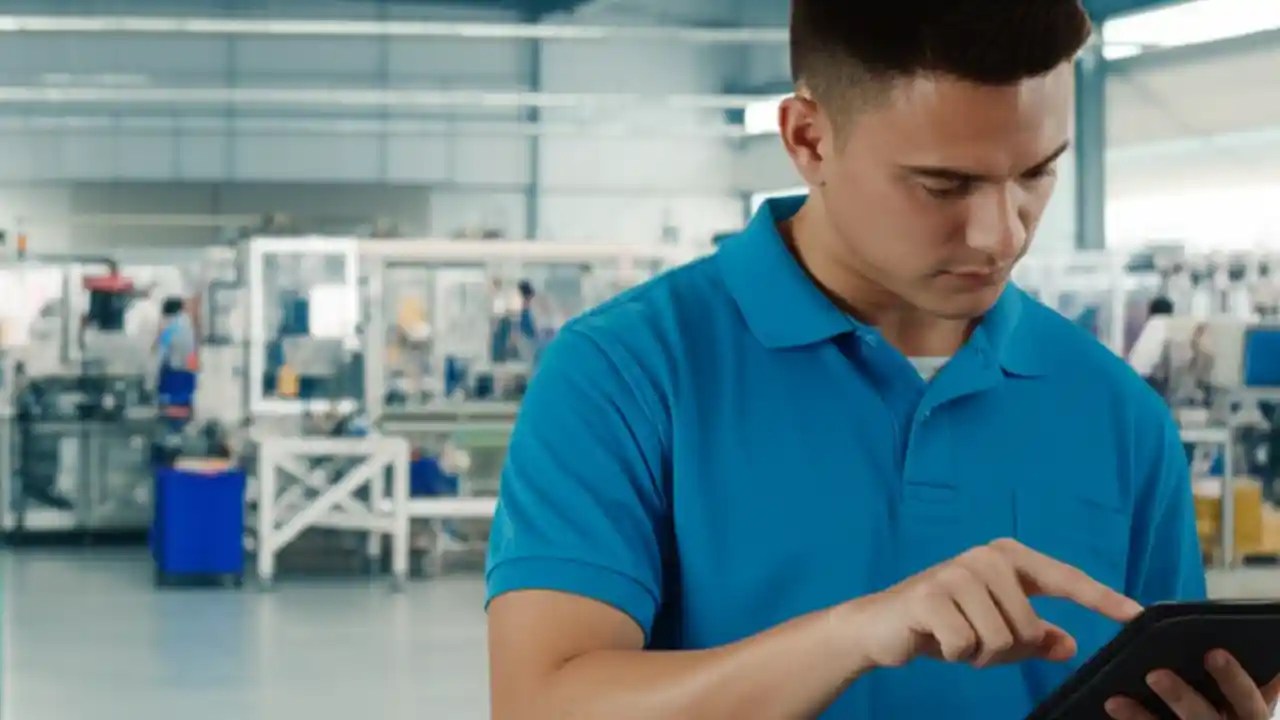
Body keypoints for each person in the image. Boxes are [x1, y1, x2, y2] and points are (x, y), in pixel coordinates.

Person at [486, 2, 1276, 718]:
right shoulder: (627, 374)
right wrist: (853, 636)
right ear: (808, 138)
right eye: (943, 185)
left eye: (1036, 173)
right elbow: (542, 704)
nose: (1001, 234)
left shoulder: (1117, 412)